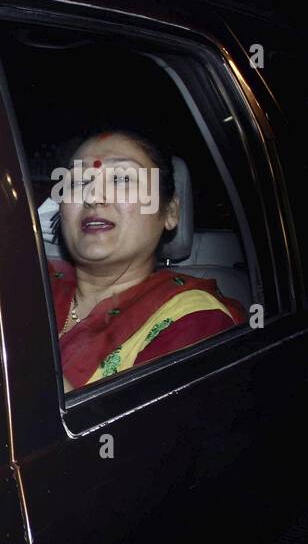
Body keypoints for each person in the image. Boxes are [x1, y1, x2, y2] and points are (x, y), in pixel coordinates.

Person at [50, 128, 245, 390]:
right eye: (78, 182)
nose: (93, 196)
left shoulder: (195, 321)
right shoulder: (26, 286)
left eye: (121, 179)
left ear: (170, 212)